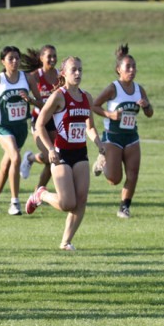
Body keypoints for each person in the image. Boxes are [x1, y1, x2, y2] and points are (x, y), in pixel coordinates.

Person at [26, 57, 105, 250]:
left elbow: (90, 127)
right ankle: (41, 194)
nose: (77, 73)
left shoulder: (87, 97)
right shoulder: (58, 96)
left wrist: (99, 145)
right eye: (73, 70)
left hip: (80, 153)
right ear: (64, 74)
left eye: (80, 70)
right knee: (67, 203)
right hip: (61, 154)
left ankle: (66, 241)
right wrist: (50, 148)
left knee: (82, 199)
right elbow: (39, 124)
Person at [91, 44, 154, 218]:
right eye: (128, 67)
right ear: (119, 70)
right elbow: (94, 105)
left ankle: (124, 206)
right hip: (113, 137)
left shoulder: (139, 89)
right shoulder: (113, 88)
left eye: (134, 67)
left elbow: (149, 114)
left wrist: (147, 106)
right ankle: (102, 162)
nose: (132, 70)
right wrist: (109, 114)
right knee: (114, 179)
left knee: (133, 173)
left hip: (131, 137)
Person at [0, 46, 43, 216]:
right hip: (3, 126)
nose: (15, 61)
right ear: (3, 61)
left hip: (20, 127)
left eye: (17, 58)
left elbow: (40, 103)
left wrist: (29, 99)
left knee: (7, 163)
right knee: (16, 157)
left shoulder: (27, 78)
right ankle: (15, 203)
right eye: (10, 59)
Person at [19, 46, 59, 190]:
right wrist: (30, 101)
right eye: (49, 56)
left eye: (55, 56)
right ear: (41, 58)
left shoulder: (61, 76)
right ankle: (30, 160)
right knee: (50, 156)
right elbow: (24, 93)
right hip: (39, 121)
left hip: (55, 121)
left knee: (55, 157)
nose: (53, 59)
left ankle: (37, 191)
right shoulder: (35, 76)